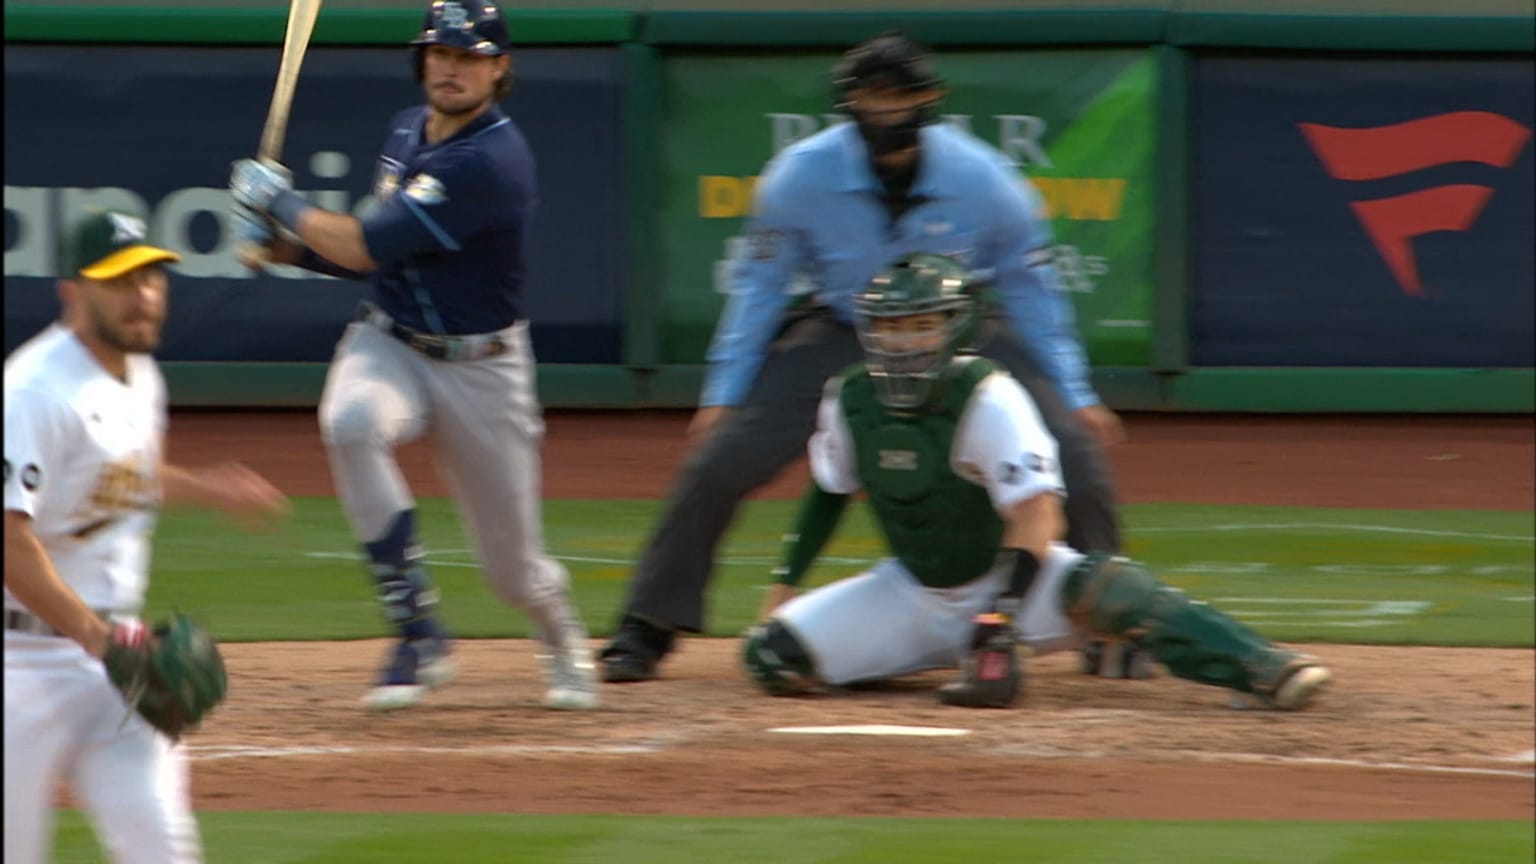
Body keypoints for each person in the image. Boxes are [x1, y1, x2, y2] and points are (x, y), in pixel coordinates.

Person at [601, 29, 1135, 684]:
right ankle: (648, 624)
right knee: (718, 463)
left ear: (930, 99)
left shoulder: (985, 180)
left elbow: (1032, 289)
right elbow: (760, 288)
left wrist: (1075, 393)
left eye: (899, 96)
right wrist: (724, 393)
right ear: (848, 103)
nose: (885, 111)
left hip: (961, 324)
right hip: (843, 327)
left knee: (1075, 459)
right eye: (871, 97)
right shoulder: (800, 177)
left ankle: (1114, 621)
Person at [739, 252, 1333, 711]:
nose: (903, 343)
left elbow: (1038, 515)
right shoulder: (852, 398)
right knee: (771, 656)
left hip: (1011, 583)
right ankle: (939, 660)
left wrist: (999, 616)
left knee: (1108, 586)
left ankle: (1264, 668)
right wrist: (782, 586)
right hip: (911, 594)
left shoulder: (990, 398)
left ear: (955, 328)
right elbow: (830, 488)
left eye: (921, 326)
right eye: (891, 329)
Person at [228, 0, 597, 711]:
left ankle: (558, 630)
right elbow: (383, 261)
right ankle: (417, 630)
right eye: (440, 53)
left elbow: (367, 242)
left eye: (468, 56)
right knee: (352, 421)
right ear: (422, 59)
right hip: (390, 339)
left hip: (484, 366)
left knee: (512, 572)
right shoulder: (406, 129)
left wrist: (281, 202)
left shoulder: (491, 160)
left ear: (499, 69)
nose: (451, 68)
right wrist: (287, 249)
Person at [4, 209, 289, 864]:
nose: (142, 296)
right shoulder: (33, 393)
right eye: (120, 281)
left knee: (163, 848)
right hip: (17, 664)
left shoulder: (141, 373)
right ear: (73, 293)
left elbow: (119, 470)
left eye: (151, 278)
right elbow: (8, 538)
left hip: (119, 659)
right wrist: (99, 640)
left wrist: (206, 487)